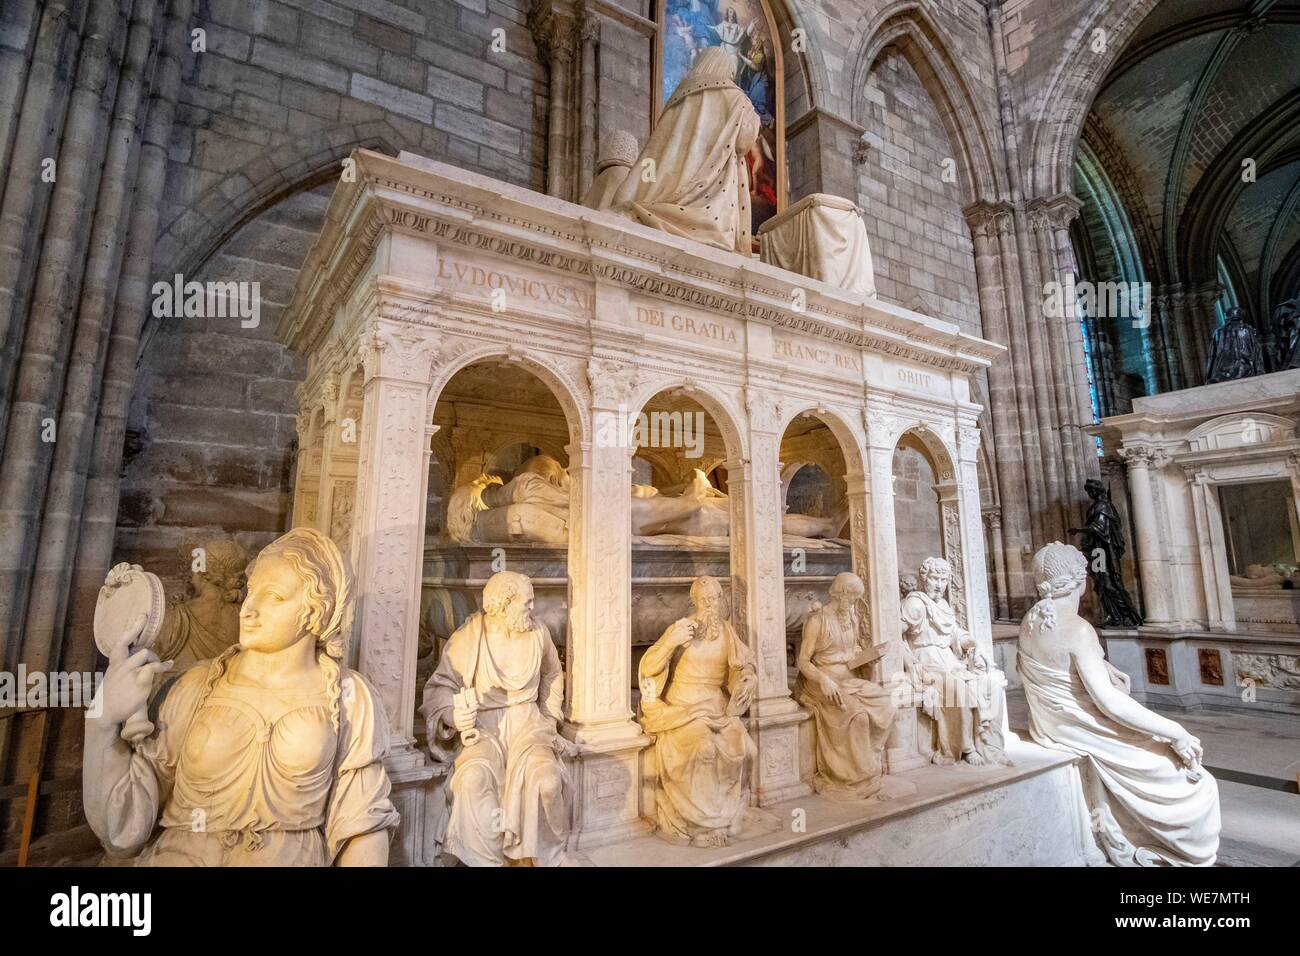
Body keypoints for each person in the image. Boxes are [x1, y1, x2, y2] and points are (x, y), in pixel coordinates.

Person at [83, 527, 399, 866]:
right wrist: (102, 720)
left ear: (316, 610)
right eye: (251, 591)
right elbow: (122, 829)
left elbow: (362, 824)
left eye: (274, 596)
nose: (248, 608)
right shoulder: (196, 686)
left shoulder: (349, 697)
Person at [1017, 542, 1220, 866]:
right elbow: (1111, 704)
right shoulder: (1078, 629)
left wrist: (1103, 668)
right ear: (1080, 580)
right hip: (1083, 732)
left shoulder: (1031, 619)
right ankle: (1181, 852)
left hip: (1051, 725)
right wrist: (1175, 731)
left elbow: (1059, 667)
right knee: (1197, 785)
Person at [421, 570, 575, 866]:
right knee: (472, 781)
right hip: (485, 729)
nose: (532, 607)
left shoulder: (537, 633)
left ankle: (541, 856)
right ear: (504, 605)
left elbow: (553, 674)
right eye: (526, 603)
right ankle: (484, 861)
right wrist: (455, 715)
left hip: (529, 727)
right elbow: (440, 687)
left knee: (547, 781)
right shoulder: (471, 637)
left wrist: (550, 716)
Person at [638, 576, 756, 846]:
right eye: (703, 600)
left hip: (716, 706)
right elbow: (648, 668)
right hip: (684, 706)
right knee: (705, 749)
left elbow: (741, 667)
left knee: (748, 749)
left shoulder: (727, 631)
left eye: (713, 599)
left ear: (720, 600)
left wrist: (747, 678)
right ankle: (704, 823)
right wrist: (671, 643)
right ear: (694, 601)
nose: (709, 605)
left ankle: (726, 813)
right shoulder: (681, 629)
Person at [612, 46, 760, 253]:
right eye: (732, 72)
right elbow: (744, 143)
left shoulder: (682, 93)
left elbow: (658, 149)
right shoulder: (737, 99)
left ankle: (656, 211)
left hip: (665, 187)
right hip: (712, 204)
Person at [795, 572, 896, 799]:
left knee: (887, 703)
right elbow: (802, 661)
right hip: (823, 682)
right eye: (852, 598)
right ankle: (856, 778)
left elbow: (853, 653)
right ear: (841, 594)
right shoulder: (817, 621)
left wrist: (869, 659)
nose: (854, 603)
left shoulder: (852, 617)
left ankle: (870, 758)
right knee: (857, 715)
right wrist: (823, 679)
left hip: (850, 678)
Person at [899, 556, 1005, 765]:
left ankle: (988, 743)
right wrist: (909, 662)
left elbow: (956, 634)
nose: (939, 585)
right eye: (934, 579)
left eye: (943, 580)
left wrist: (972, 643)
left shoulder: (943, 605)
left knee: (990, 682)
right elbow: (894, 634)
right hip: (926, 660)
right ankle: (965, 747)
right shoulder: (915, 604)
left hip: (948, 659)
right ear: (924, 578)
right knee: (958, 691)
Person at [1069, 478, 1142, 628]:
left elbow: (1098, 527)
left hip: (1103, 552)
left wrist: (1078, 530)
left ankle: (1125, 615)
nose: (1089, 494)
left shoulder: (1103, 506)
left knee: (1108, 583)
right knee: (1100, 582)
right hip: (1097, 551)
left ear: (1096, 490)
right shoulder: (1099, 505)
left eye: (1090, 491)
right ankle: (1113, 615)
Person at [1205, 306, 1265, 383]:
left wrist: (1208, 377)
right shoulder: (1249, 330)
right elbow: (1257, 352)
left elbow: (1212, 356)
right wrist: (1260, 372)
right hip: (1246, 371)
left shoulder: (1219, 332)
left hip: (1223, 374)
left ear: (1226, 317)